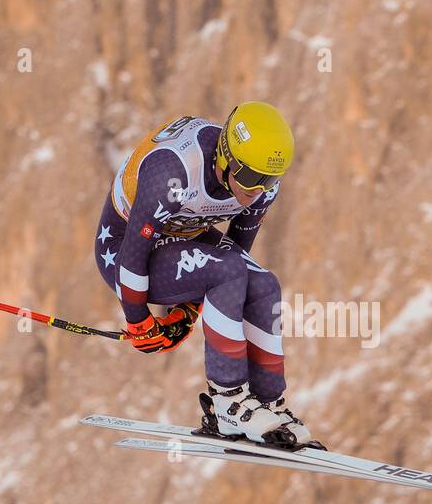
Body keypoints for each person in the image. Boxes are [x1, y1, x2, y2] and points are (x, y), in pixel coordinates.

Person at [93, 102, 320, 449]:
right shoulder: (174, 173)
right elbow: (133, 257)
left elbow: (235, 254)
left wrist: (190, 307)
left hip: (182, 238)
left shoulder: (260, 185)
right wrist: (139, 322)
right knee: (229, 272)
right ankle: (228, 401)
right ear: (226, 158)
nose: (257, 189)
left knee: (263, 284)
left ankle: (267, 402)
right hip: (126, 251)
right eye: (250, 177)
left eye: (269, 179)